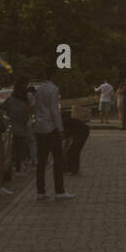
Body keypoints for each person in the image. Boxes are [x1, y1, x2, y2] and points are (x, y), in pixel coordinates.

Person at [32, 66, 75, 200]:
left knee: (42, 160)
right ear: (54, 76)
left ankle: (40, 190)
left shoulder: (39, 89)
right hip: (51, 127)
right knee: (57, 159)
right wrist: (60, 129)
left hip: (40, 126)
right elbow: (55, 111)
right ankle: (59, 190)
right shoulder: (54, 89)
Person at [3, 76, 33, 174]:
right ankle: (18, 167)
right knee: (20, 149)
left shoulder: (10, 100)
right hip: (20, 128)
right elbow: (27, 116)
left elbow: (4, 111)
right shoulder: (24, 103)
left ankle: (15, 167)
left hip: (11, 128)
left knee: (13, 149)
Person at [62, 107, 90, 175]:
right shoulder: (63, 123)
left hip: (82, 132)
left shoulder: (61, 125)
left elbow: (67, 141)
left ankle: (72, 170)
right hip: (82, 130)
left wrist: (64, 151)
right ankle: (73, 169)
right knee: (74, 151)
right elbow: (67, 140)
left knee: (74, 151)